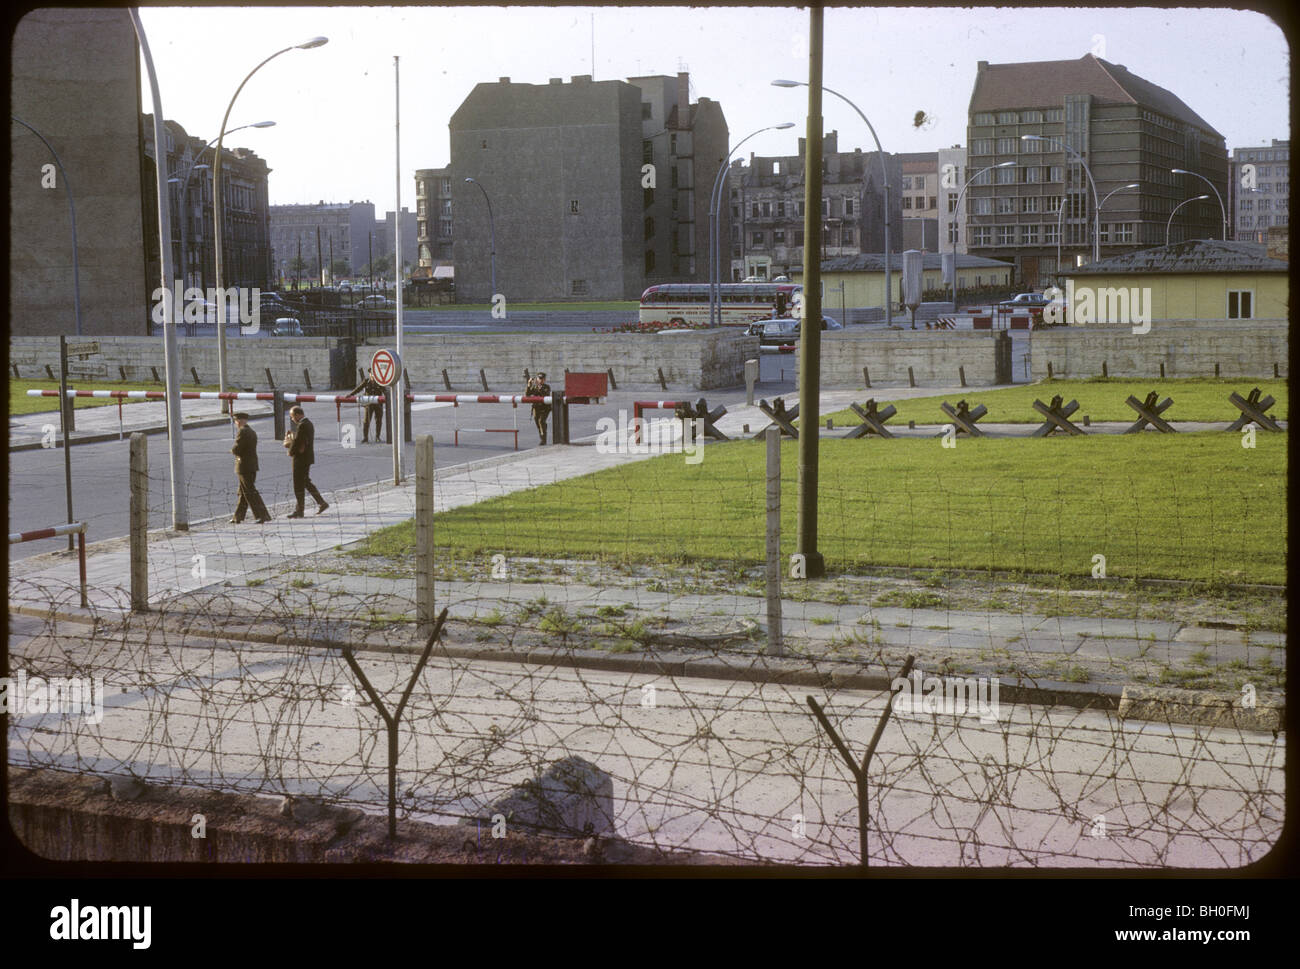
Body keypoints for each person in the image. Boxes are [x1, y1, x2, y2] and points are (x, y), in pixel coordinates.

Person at [285, 405, 329, 517]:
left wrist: (290, 450)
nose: (292, 419)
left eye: (292, 416)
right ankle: (321, 502)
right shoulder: (308, 423)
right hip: (307, 458)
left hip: (301, 458)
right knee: (305, 482)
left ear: (298, 415)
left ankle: (299, 510)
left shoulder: (302, 425)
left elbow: (298, 441)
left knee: (298, 485)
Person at [229, 412, 272, 524]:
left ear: (239, 421)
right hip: (252, 465)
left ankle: (262, 515)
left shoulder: (242, 432)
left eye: (236, 421)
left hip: (244, 465)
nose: (236, 423)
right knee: (244, 492)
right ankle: (238, 516)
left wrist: (232, 450)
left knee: (249, 491)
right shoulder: (252, 431)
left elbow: (237, 449)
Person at [350, 370, 385, 443]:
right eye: (371, 374)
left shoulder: (380, 382)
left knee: (378, 421)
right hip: (368, 404)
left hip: (378, 404)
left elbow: (385, 391)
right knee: (366, 421)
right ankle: (365, 437)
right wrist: (351, 394)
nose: (373, 376)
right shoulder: (366, 381)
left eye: (374, 374)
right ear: (369, 374)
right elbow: (358, 389)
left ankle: (377, 437)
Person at [526, 371, 552, 445]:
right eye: (539, 378)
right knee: (538, 423)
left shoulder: (547, 387)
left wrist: (539, 388)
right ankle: (542, 435)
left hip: (545, 408)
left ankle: (543, 440)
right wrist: (529, 385)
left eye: (542, 379)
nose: (540, 380)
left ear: (544, 379)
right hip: (536, 408)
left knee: (541, 421)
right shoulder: (534, 386)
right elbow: (527, 394)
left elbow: (545, 394)